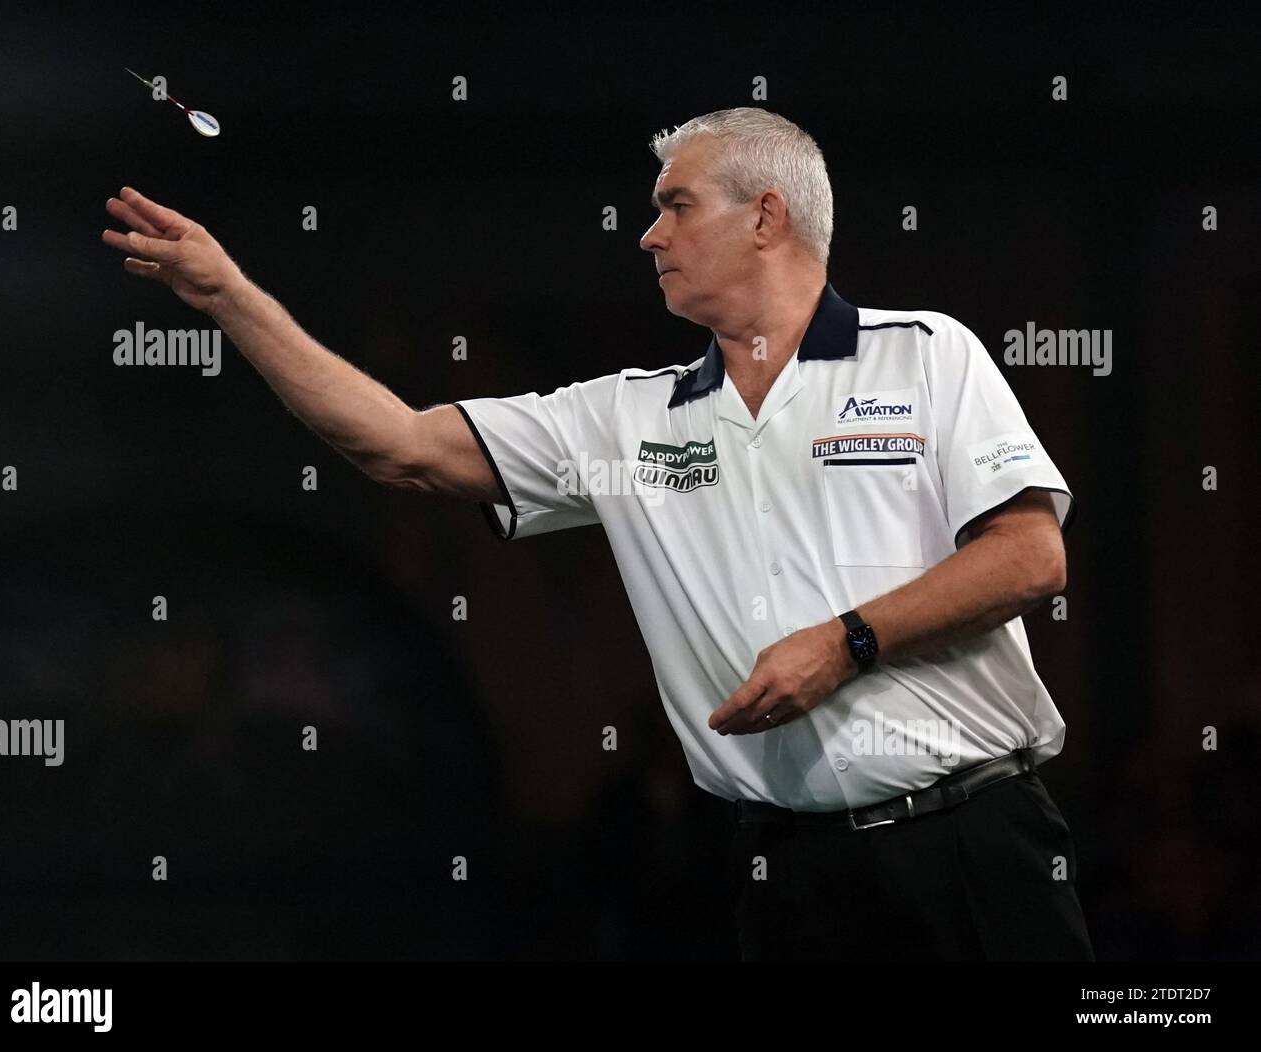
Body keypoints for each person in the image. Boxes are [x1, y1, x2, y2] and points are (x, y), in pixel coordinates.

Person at [102, 106, 1093, 962]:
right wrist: (229, 295)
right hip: (788, 870)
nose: (647, 236)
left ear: (766, 215)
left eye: (675, 204)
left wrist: (845, 641)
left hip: (970, 838)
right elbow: (401, 443)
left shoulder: (923, 357)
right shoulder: (625, 417)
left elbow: (1028, 554)